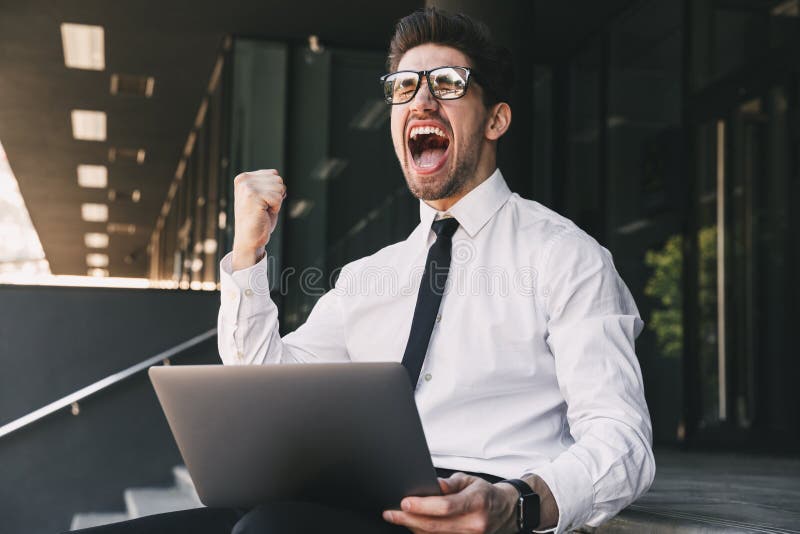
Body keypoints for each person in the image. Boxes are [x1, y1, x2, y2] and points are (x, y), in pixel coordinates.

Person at [70, 7, 654, 534]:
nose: (421, 101)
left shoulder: (566, 256)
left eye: (448, 85)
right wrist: (247, 253)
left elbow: (622, 440)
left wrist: (517, 503)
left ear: (496, 120)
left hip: (482, 509)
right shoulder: (368, 276)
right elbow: (267, 379)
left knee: (269, 531)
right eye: (404, 87)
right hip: (358, 502)